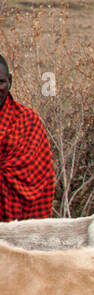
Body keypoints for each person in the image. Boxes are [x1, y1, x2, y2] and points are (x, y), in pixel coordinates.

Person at [0, 54, 56, 221]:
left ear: (10, 81)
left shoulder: (28, 121)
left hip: (23, 225)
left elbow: (41, 180)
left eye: (0, 82)